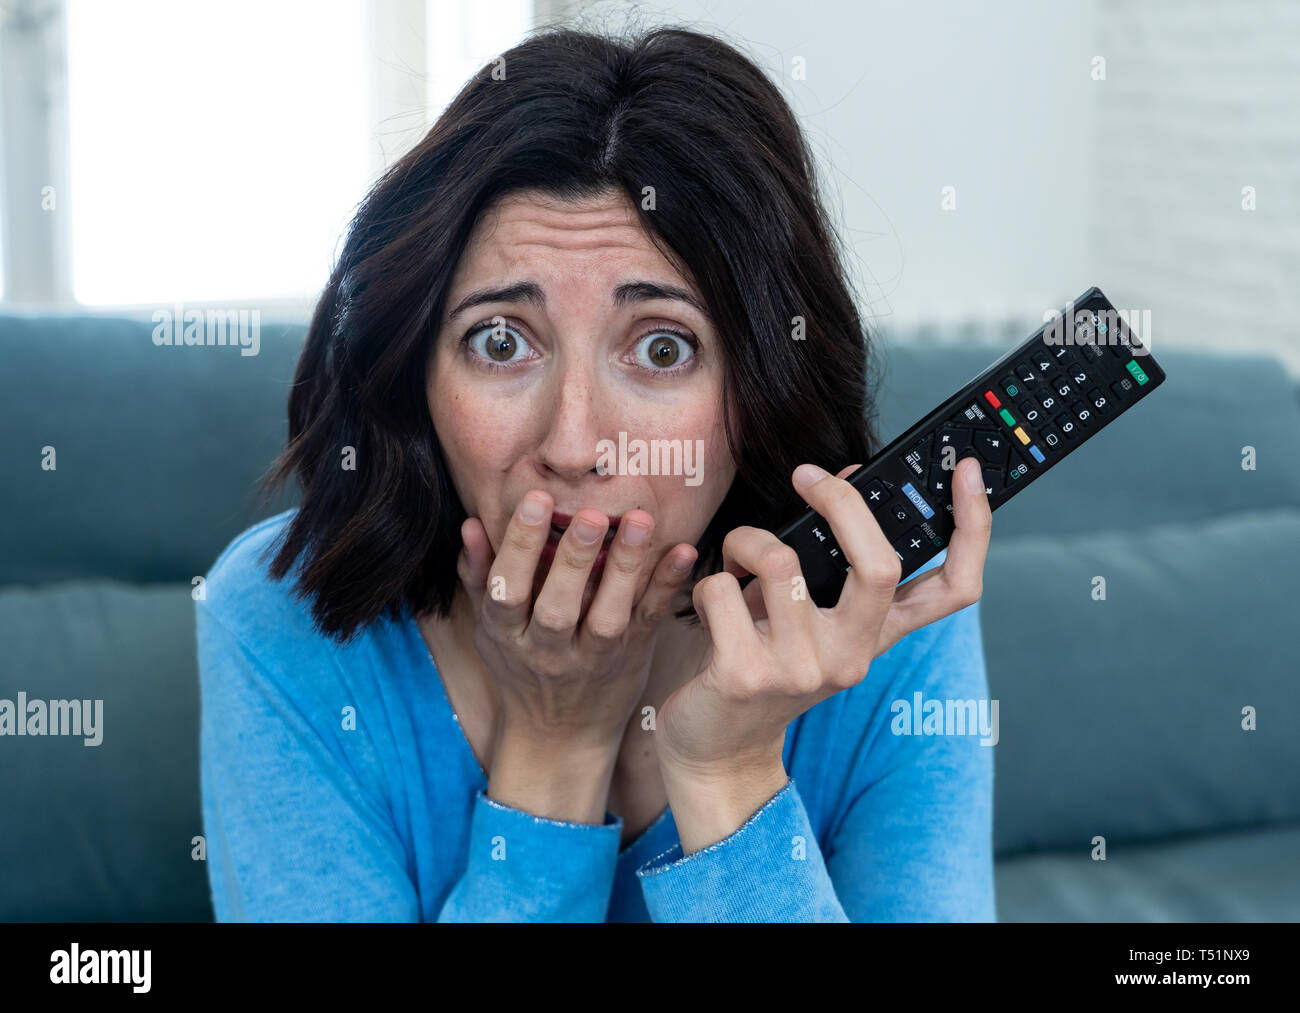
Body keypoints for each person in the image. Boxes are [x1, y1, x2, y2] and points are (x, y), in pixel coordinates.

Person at [196, 23, 995, 922]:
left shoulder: (879, 609)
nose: (575, 443)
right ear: (416, 374)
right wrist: (555, 750)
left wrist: (730, 776)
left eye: (661, 347)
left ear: (760, 389)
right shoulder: (277, 623)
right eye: (501, 342)